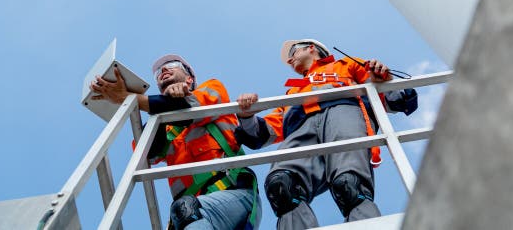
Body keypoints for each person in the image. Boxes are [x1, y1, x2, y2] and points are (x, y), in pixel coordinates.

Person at [235, 39, 417, 229]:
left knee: (349, 185)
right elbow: (263, 133)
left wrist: (385, 80)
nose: (289, 60)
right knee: (282, 185)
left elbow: (394, 99)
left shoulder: (347, 64)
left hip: (344, 113)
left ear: (311, 48)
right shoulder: (293, 92)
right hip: (300, 127)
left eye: (293, 53)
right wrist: (246, 115)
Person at [91, 54, 260, 230]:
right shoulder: (163, 126)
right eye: (158, 72)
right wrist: (158, 110)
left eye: (172, 65)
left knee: (185, 209)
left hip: (231, 195)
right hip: (190, 214)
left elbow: (191, 108)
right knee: (184, 211)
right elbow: (146, 154)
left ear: (190, 78)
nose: (163, 70)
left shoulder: (213, 88)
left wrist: (129, 98)